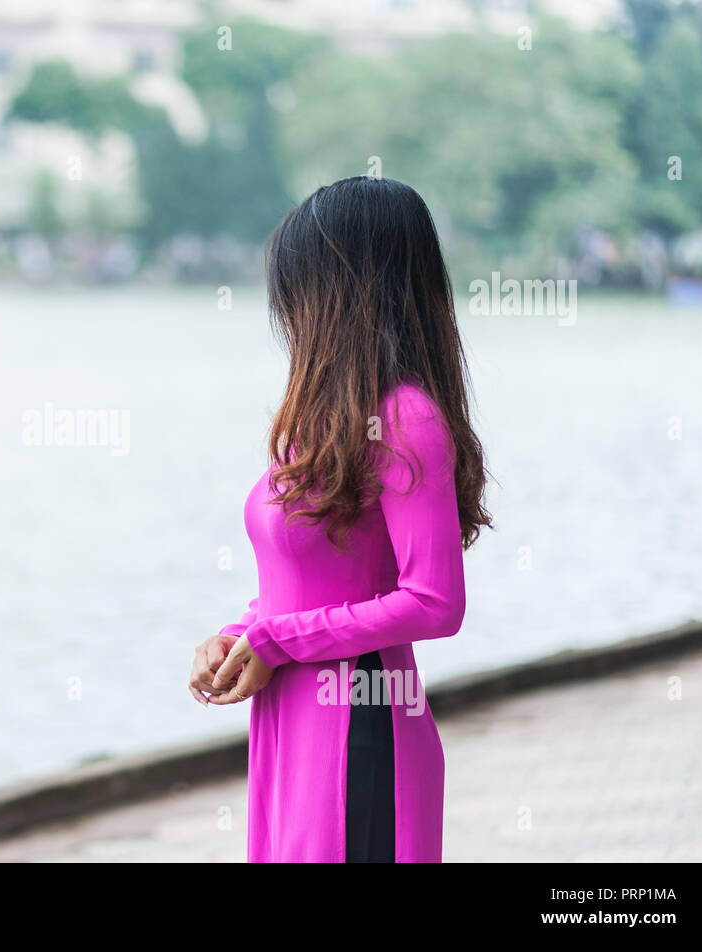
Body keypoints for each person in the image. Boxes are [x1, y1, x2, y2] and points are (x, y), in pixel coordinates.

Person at [189, 176, 493, 862]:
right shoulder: (320, 425)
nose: (288, 307)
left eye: (299, 285)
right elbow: (304, 580)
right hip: (288, 720)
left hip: (360, 722)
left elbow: (435, 603)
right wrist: (239, 635)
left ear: (346, 290)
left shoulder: (407, 418)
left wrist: (276, 642)